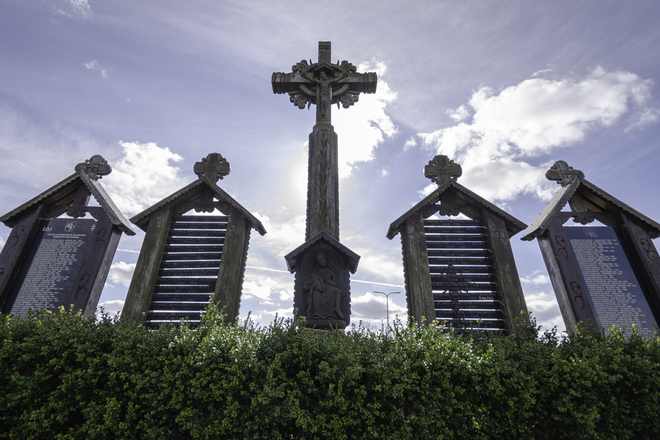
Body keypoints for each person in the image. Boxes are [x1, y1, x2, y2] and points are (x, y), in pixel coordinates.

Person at [303, 252, 343, 320]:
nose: (321, 262)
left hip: (328, 287)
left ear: (325, 259)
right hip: (319, 288)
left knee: (338, 291)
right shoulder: (316, 272)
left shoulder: (330, 272)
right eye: (319, 261)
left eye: (322, 259)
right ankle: (316, 314)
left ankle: (336, 309)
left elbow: (334, 283)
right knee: (315, 293)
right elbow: (312, 280)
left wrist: (329, 281)